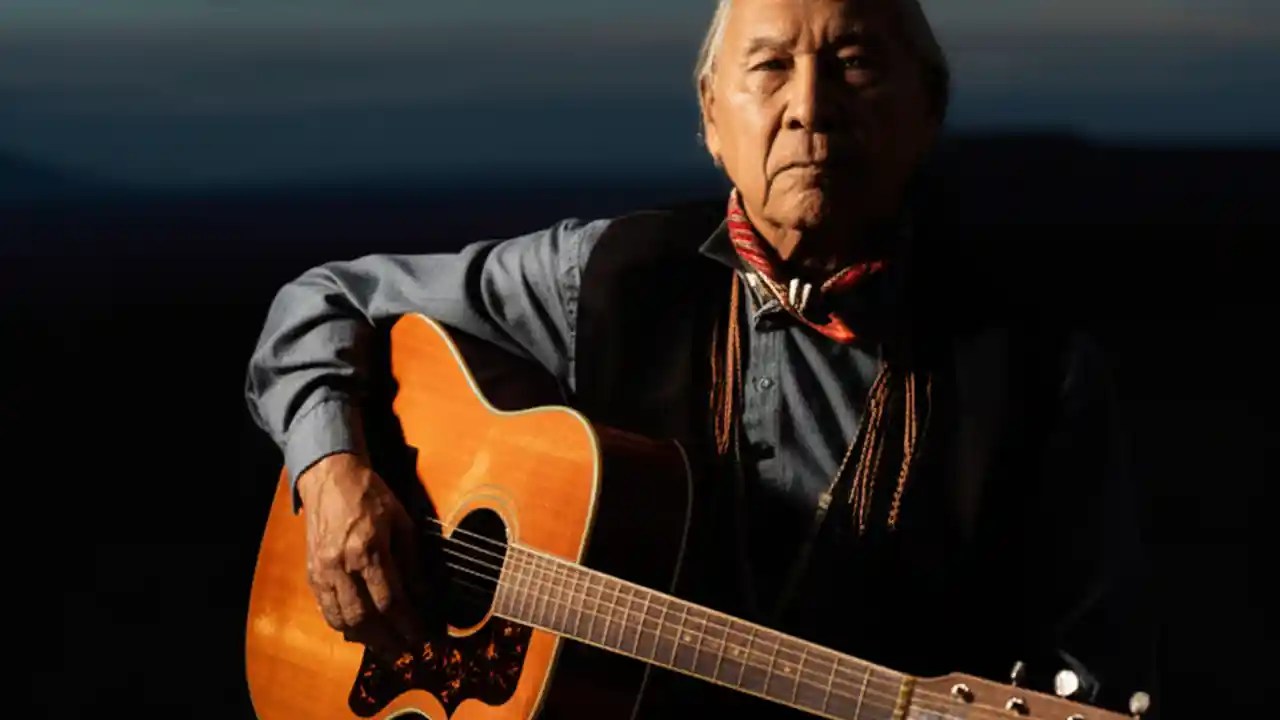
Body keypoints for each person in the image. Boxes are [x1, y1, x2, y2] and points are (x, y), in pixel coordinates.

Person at [244, 0, 1158, 716]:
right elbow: (323, 302)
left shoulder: (1039, 372)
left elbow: (1096, 656)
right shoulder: (601, 275)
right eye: (769, 68)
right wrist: (331, 473)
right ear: (712, 119)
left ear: (929, 111)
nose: (809, 107)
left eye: (854, 64)